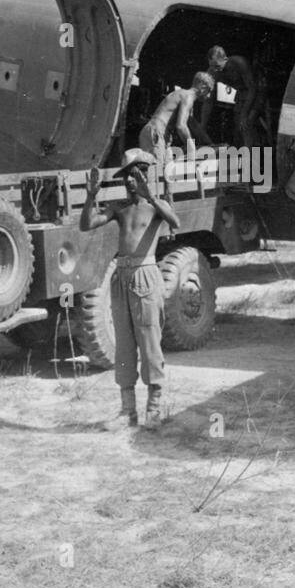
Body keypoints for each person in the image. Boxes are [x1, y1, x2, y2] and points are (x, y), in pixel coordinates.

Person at [79, 149, 180, 430]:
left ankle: (154, 410)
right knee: (124, 346)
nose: (130, 181)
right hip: (121, 278)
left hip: (146, 276)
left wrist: (150, 197)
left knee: (149, 343)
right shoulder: (120, 209)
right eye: (126, 177)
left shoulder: (154, 206)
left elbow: (176, 222)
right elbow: (86, 224)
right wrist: (90, 196)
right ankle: (127, 411)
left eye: (135, 175)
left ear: (145, 174)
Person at [138, 71, 214, 173]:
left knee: (168, 173)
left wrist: (210, 143)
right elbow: (181, 126)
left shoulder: (182, 95)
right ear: (202, 86)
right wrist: (191, 145)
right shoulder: (188, 97)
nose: (208, 96)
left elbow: (193, 125)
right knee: (156, 176)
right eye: (208, 91)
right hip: (156, 132)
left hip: (157, 133)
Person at [206, 46, 264, 147]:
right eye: (212, 66)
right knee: (238, 127)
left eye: (217, 66)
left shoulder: (239, 63)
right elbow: (208, 100)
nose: (215, 70)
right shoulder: (212, 71)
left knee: (246, 124)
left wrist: (244, 114)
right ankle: (242, 154)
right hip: (240, 95)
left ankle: (251, 158)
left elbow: (252, 88)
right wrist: (203, 124)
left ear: (225, 59)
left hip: (256, 93)